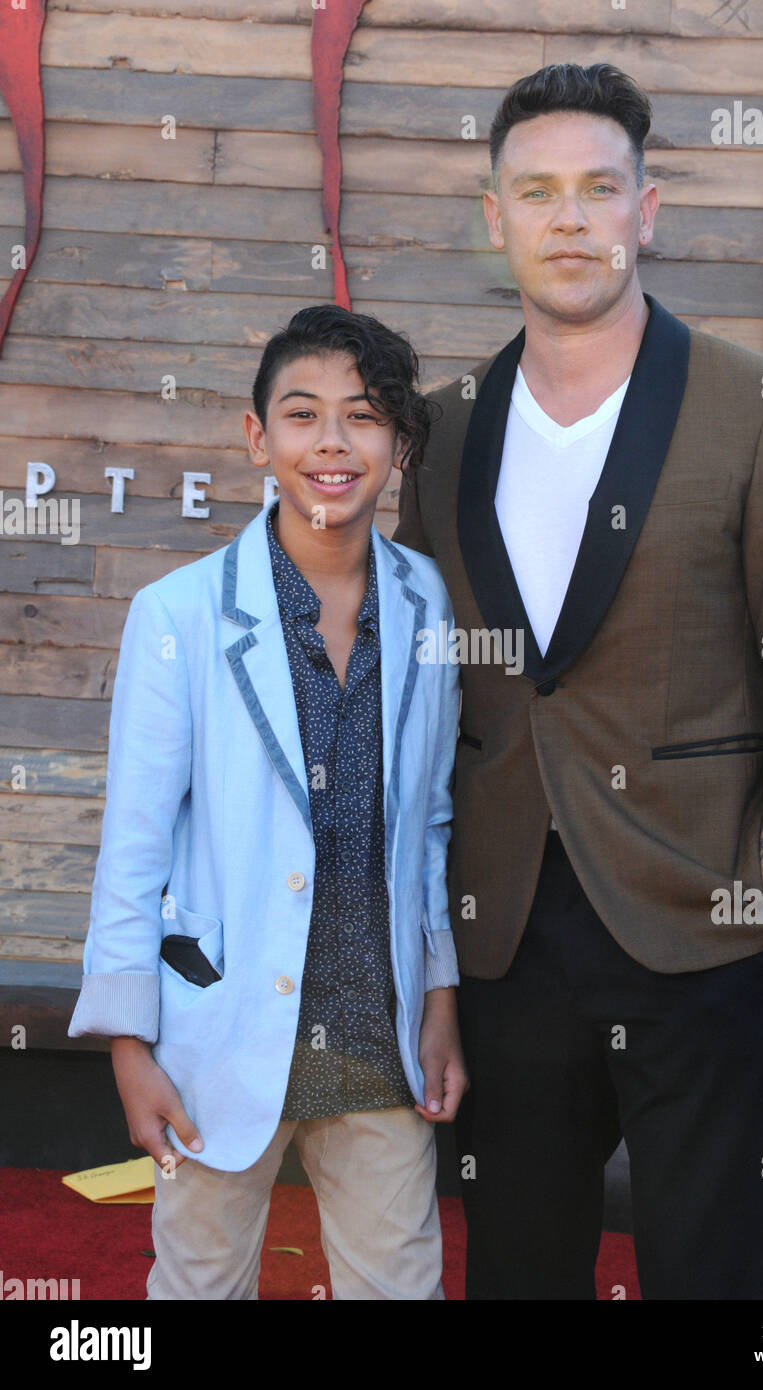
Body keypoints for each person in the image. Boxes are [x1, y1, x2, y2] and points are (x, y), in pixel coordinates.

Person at [394, 63, 763, 1301]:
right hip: (500, 934)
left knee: (717, 1272)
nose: (570, 219)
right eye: (537, 192)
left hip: (698, 920)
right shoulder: (440, 432)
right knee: (517, 1271)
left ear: (645, 211)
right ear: (492, 217)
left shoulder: (762, 408)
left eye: (598, 189)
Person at [68, 305, 468, 1300]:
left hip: (379, 1037)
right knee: (199, 1288)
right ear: (258, 438)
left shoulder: (427, 604)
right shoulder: (179, 615)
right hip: (220, 1038)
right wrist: (130, 1047)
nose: (332, 443)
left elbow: (428, 827)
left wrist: (439, 1004)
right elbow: (135, 845)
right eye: (302, 414)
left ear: (399, 445)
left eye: (365, 416)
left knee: (403, 1287)